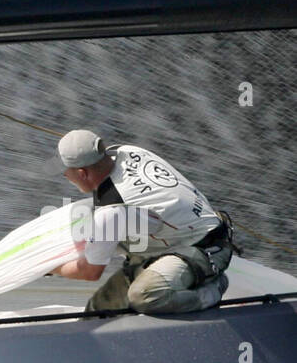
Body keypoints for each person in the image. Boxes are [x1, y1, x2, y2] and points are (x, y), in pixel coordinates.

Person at [48, 129, 234, 313]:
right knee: (99, 309)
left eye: (66, 172)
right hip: (176, 233)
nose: (65, 176)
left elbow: (90, 272)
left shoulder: (113, 208)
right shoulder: (127, 150)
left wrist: (47, 267)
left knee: (145, 295)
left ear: (82, 173)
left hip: (204, 247)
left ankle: (211, 291)